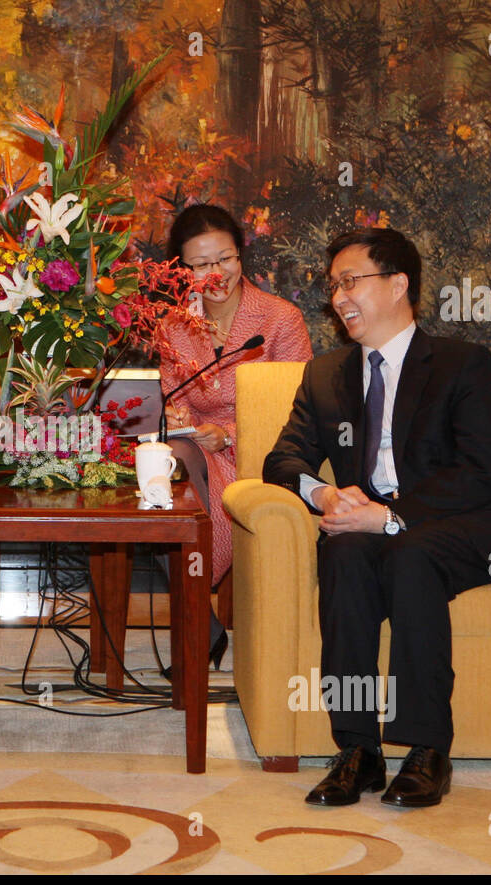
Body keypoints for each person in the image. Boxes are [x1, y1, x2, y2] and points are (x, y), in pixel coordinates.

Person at [264, 227, 491, 807]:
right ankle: (357, 749)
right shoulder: (326, 374)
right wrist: (326, 498)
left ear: (398, 285)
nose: (338, 297)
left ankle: (428, 748)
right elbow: (282, 460)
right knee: (342, 552)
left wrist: (389, 516)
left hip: (464, 524)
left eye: (351, 281)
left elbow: (480, 471)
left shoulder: (461, 364)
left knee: (409, 552)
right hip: (367, 525)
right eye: (333, 285)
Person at [161, 204, 312, 668]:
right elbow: (174, 398)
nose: (216, 273)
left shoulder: (280, 318)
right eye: (201, 265)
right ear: (182, 270)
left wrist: (226, 434)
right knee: (168, 461)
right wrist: (189, 426)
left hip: (263, 450)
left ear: (240, 254)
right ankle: (201, 625)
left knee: (180, 468)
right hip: (195, 453)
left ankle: (195, 629)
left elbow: (295, 404)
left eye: (224, 258)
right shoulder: (173, 325)